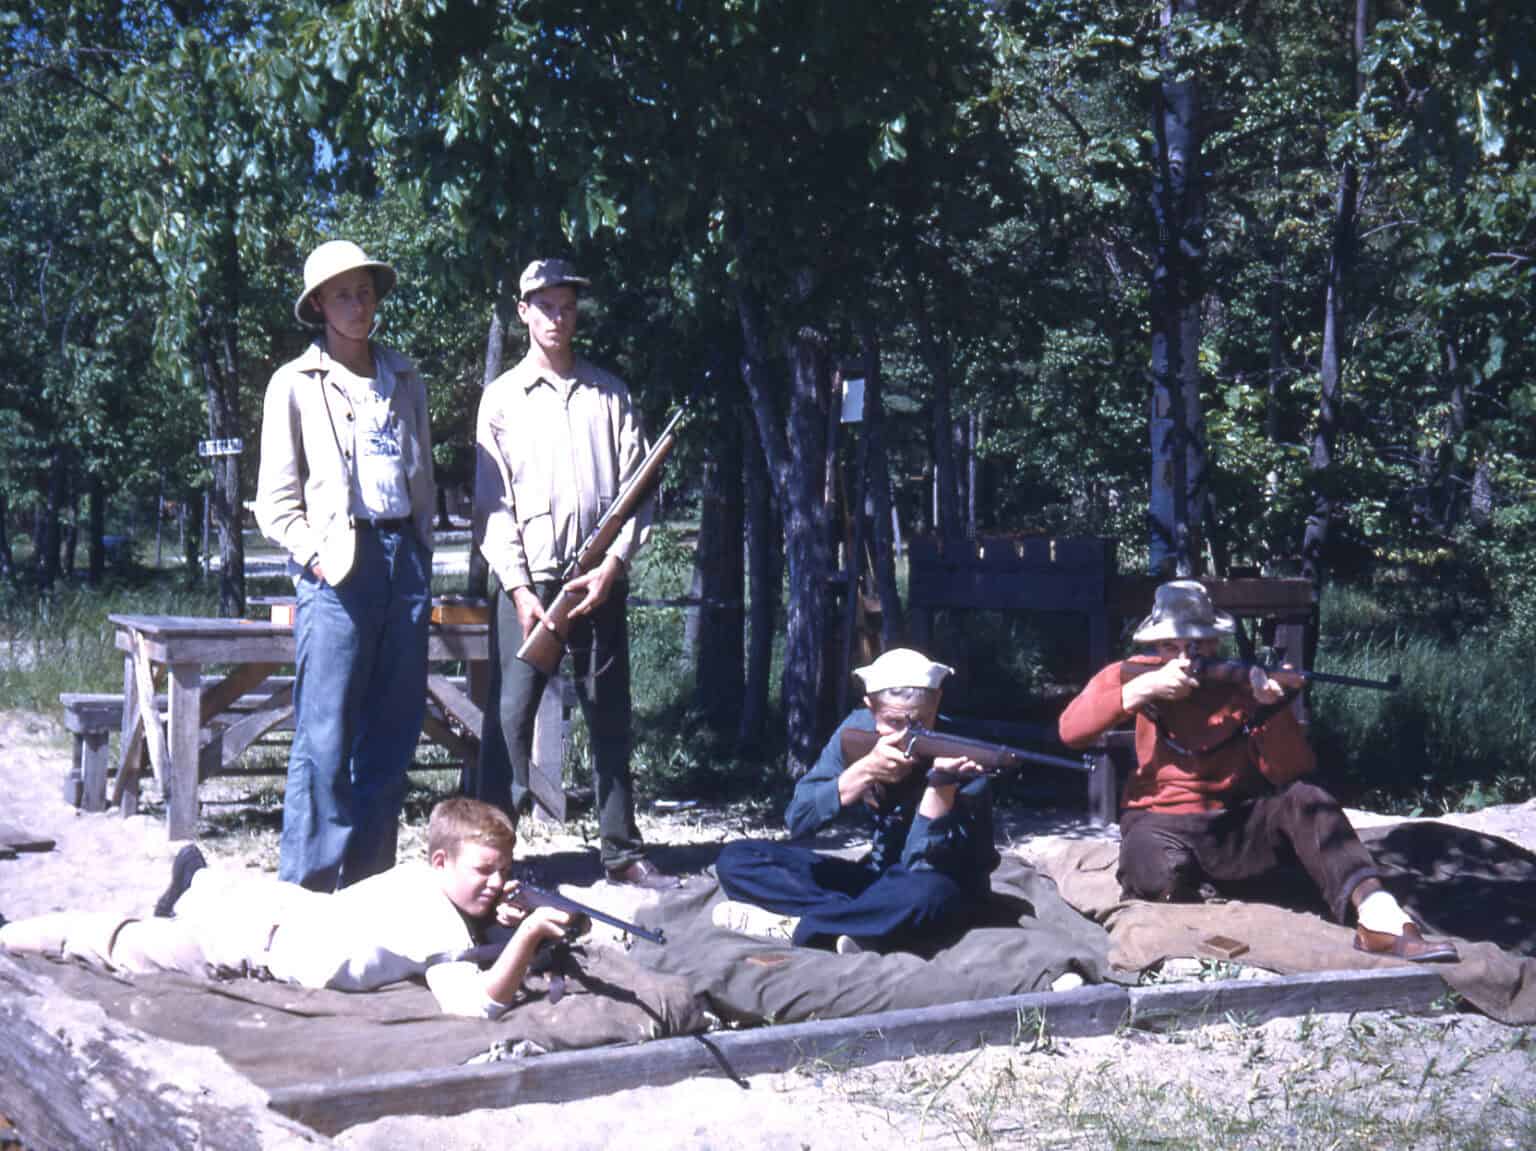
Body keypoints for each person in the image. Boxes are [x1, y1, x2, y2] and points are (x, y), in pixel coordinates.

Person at [1058, 579, 1459, 962]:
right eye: (1170, 645)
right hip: (1157, 821)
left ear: (1215, 643)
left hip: (1236, 823)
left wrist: (1269, 709)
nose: (1184, 658)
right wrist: (1141, 691)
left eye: (1196, 645)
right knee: (1153, 871)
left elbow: (1292, 770)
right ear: (1153, 646)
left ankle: (1380, 917)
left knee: (1308, 801)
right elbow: (1070, 730)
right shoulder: (1131, 674)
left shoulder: (1239, 684)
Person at [468, 258, 672, 889]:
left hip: (598, 583)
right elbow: (490, 505)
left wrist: (613, 566)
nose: (558, 317)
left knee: (610, 714)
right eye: (545, 305)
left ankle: (620, 850)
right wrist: (521, 588)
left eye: (567, 306)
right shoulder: (500, 399)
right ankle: (492, 855)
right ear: (523, 311)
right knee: (509, 719)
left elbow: (638, 495)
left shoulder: (610, 394)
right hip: (528, 585)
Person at [0, 799, 573, 1018]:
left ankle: (195, 881)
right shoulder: (440, 928)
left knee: (216, 893)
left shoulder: (420, 877)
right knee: (116, 943)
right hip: (255, 945)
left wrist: (491, 917)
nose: (498, 883)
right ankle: (9, 936)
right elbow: (477, 1006)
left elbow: (459, 919)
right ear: (442, 862)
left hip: (287, 906)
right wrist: (524, 939)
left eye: (505, 870)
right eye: (485, 872)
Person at [254, 240, 436, 892]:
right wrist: (318, 560)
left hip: (404, 566)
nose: (357, 306)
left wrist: (419, 549)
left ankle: (367, 891)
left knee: (392, 735)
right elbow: (273, 503)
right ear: (319, 308)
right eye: (341, 296)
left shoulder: (405, 377)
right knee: (324, 739)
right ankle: (306, 893)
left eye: (364, 291)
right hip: (340, 566)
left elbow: (420, 476)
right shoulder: (294, 384)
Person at [712, 648, 999, 954]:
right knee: (738, 859)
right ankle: (858, 923)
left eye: (921, 722)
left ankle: (803, 927)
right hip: (876, 879)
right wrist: (861, 773)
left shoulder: (963, 754)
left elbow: (920, 865)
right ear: (870, 707)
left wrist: (939, 789)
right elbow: (798, 817)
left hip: (937, 881)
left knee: (928, 897)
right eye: (893, 722)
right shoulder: (857, 731)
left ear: (937, 700)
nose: (908, 735)